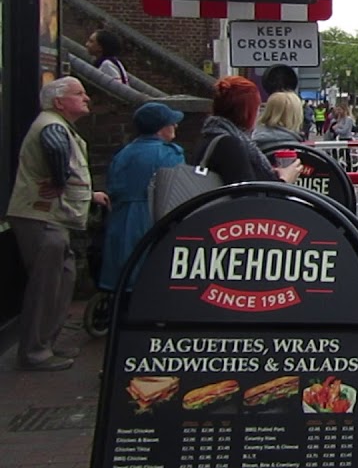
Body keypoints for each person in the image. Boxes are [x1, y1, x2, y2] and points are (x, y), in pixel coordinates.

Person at [6, 77, 110, 371]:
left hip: (51, 217)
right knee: (47, 286)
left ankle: (44, 346)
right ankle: (35, 353)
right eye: (79, 93)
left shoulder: (57, 124)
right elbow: (54, 149)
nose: (87, 97)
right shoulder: (52, 125)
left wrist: (87, 194)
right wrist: (60, 180)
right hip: (43, 217)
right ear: (59, 101)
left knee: (60, 280)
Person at [99, 102, 186, 293]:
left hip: (120, 217)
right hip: (150, 215)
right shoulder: (168, 153)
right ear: (161, 127)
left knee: (122, 271)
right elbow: (175, 191)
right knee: (149, 271)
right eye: (172, 122)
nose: (176, 126)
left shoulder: (124, 153)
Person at [192, 76, 303, 185]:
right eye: (257, 108)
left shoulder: (211, 135)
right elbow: (247, 196)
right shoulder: (229, 145)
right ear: (248, 111)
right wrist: (284, 180)